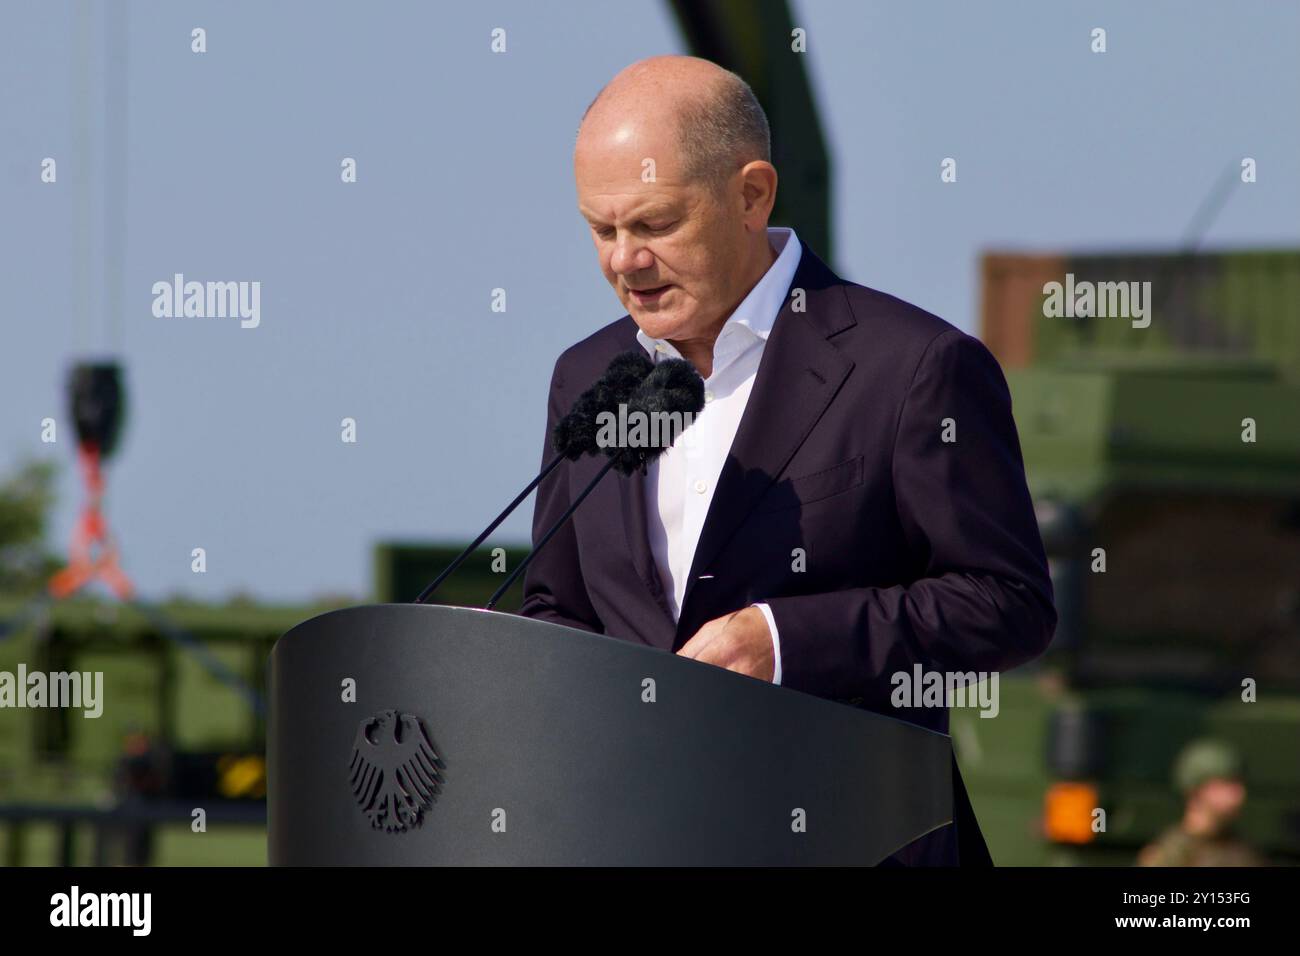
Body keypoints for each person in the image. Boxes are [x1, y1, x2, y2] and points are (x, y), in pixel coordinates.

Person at [519, 55, 1056, 865]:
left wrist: (781, 640)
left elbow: (1007, 603)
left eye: (655, 223)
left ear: (751, 194)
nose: (624, 260)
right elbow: (559, 608)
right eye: (603, 229)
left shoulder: (913, 368)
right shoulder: (589, 377)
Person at [1138, 739, 1265, 866]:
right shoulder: (1169, 854)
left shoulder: (1244, 853)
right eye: (1227, 783)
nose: (1239, 794)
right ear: (1196, 789)